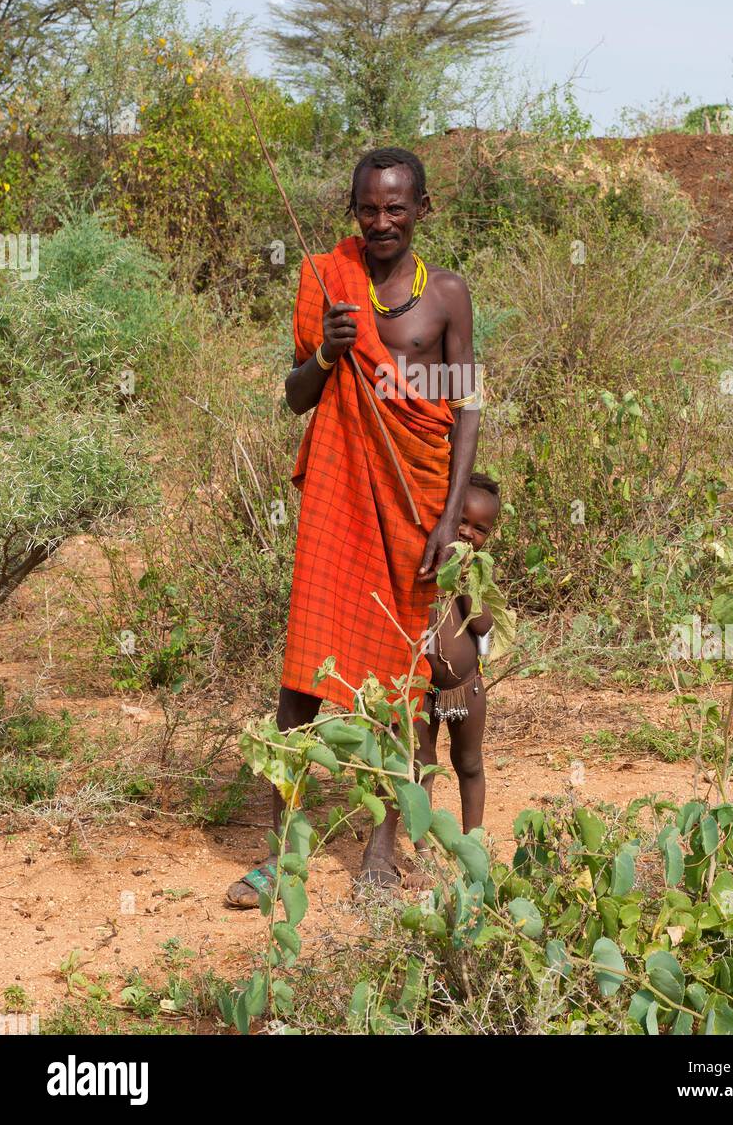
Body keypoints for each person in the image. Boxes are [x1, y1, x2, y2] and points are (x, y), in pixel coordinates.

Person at [226, 146, 480, 905]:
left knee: (403, 680)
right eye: (368, 209)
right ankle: (282, 855)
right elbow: (296, 396)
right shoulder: (324, 282)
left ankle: (380, 849)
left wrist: (447, 518)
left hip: (415, 504)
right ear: (352, 212)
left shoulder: (448, 298)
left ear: (422, 211)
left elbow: (465, 411)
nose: (380, 222)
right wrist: (328, 356)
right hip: (339, 500)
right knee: (303, 676)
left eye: (395, 208)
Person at [415, 473, 502, 836]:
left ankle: (474, 844)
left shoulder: (477, 571)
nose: (467, 533)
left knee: (468, 763)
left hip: (468, 686)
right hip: (421, 687)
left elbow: (482, 626)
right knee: (421, 764)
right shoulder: (427, 561)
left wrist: (466, 580)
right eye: (461, 521)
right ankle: (420, 850)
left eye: (479, 529)